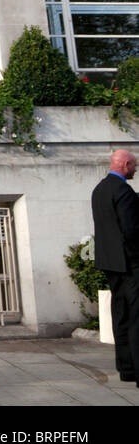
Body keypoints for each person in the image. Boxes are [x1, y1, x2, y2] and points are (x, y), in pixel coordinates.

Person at [91, 148, 139, 386]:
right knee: (136, 317)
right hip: (130, 265)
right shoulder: (123, 191)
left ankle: (127, 369)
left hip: (110, 264)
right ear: (126, 164)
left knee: (120, 315)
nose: (136, 169)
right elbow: (131, 231)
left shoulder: (99, 189)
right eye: (135, 165)